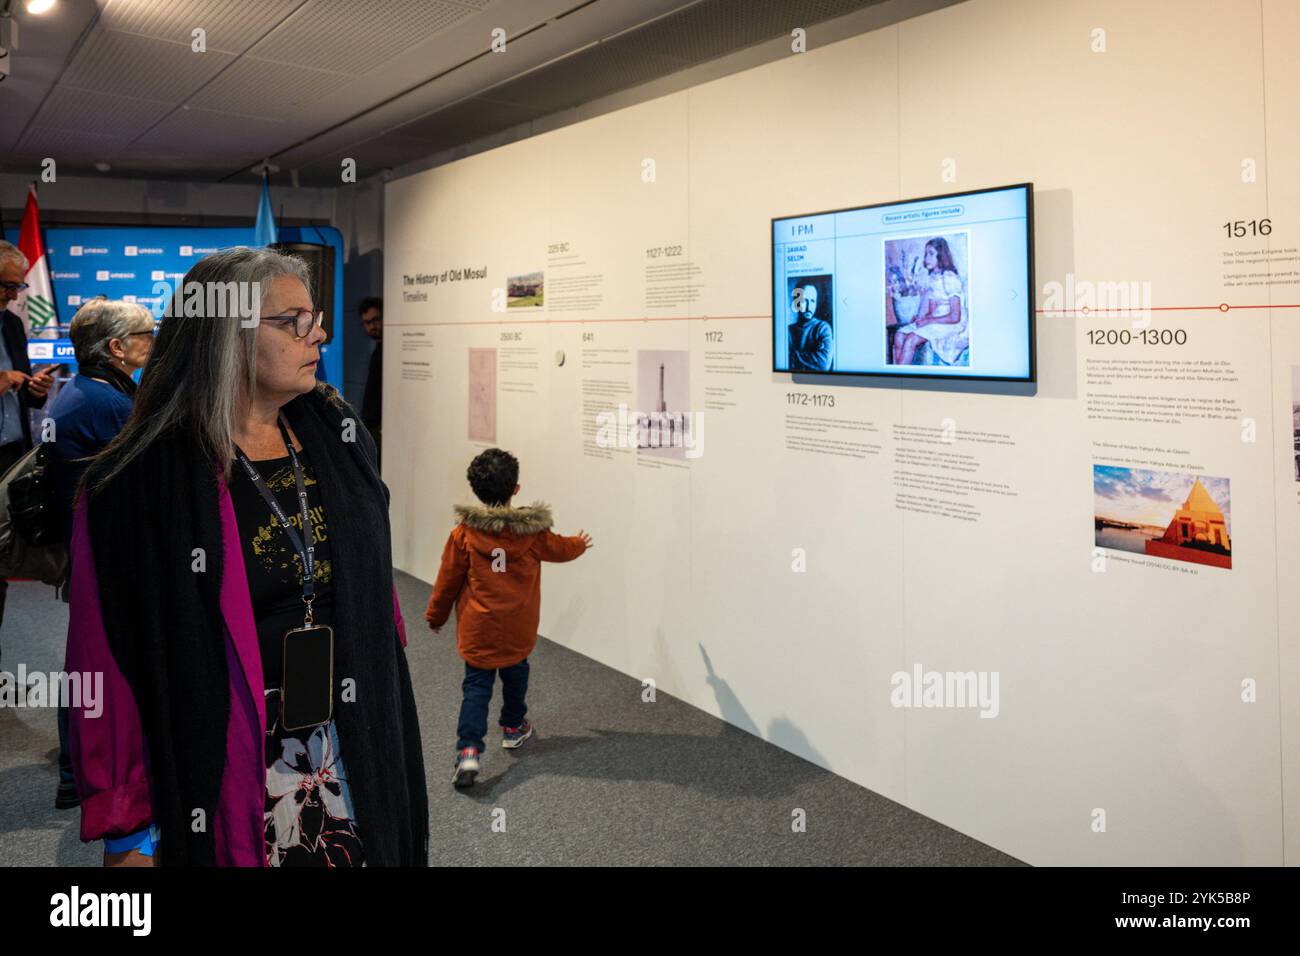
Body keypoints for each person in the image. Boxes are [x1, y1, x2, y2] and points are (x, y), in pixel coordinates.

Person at [66, 247, 428, 866]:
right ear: (225, 335)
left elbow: (374, 593)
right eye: (293, 321)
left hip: (350, 736)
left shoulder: (338, 438)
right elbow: (102, 659)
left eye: (314, 317)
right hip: (230, 758)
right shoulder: (136, 482)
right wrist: (126, 826)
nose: (318, 334)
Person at [424, 447, 591, 788]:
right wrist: (580, 543)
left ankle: (469, 751)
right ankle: (513, 727)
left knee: (476, 688)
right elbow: (561, 549)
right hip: (518, 627)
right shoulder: (531, 534)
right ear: (516, 489)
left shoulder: (464, 535)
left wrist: (436, 615)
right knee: (517, 674)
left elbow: (448, 580)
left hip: (479, 630)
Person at [45, 297, 155, 811]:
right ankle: (83, 769)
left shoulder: (84, 390)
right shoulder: (107, 403)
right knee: (98, 658)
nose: (153, 345)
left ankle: (77, 768)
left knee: (88, 657)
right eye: (146, 336)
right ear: (116, 347)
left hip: (89, 546)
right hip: (106, 553)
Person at [0, 240, 54, 670]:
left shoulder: (11, 325)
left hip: (8, 458)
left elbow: (21, 398)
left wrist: (34, 391)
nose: (15, 296)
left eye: (19, 287)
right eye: (7, 286)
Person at [890, 238, 967, 366]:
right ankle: (897, 375)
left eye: (931, 253)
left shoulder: (949, 278)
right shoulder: (932, 278)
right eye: (926, 254)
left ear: (941, 255)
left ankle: (900, 381)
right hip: (936, 318)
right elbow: (932, 310)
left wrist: (928, 320)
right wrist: (921, 318)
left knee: (910, 340)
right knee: (899, 336)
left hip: (950, 322)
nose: (926, 258)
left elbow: (955, 316)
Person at [786, 282, 833, 371]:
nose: (809, 307)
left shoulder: (822, 328)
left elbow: (823, 364)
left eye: (812, 301)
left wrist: (791, 355)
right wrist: (811, 356)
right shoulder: (788, 331)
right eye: (804, 301)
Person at [358, 297, 383, 467]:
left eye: (375, 320)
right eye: (366, 323)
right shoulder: (378, 351)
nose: (371, 327)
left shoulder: (388, 350)